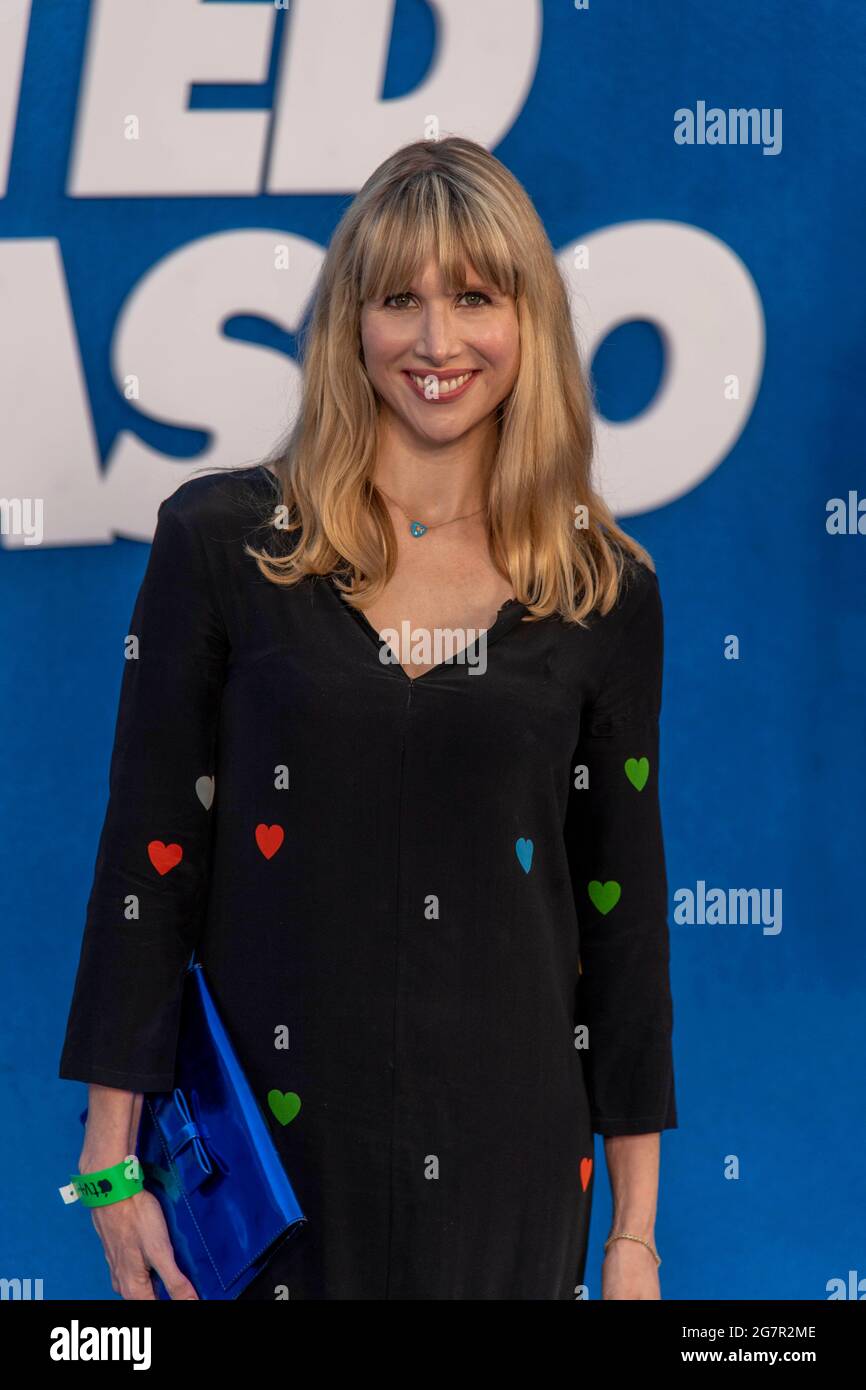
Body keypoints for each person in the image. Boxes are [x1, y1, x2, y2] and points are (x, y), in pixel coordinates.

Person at [59, 135, 677, 1301]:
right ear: (350, 323)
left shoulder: (605, 591)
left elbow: (623, 927)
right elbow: (146, 868)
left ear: (527, 320)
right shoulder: (220, 547)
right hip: (272, 1179)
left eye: (473, 298)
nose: (436, 343)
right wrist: (110, 1164)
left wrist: (633, 1239)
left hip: (513, 1170)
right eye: (399, 299)